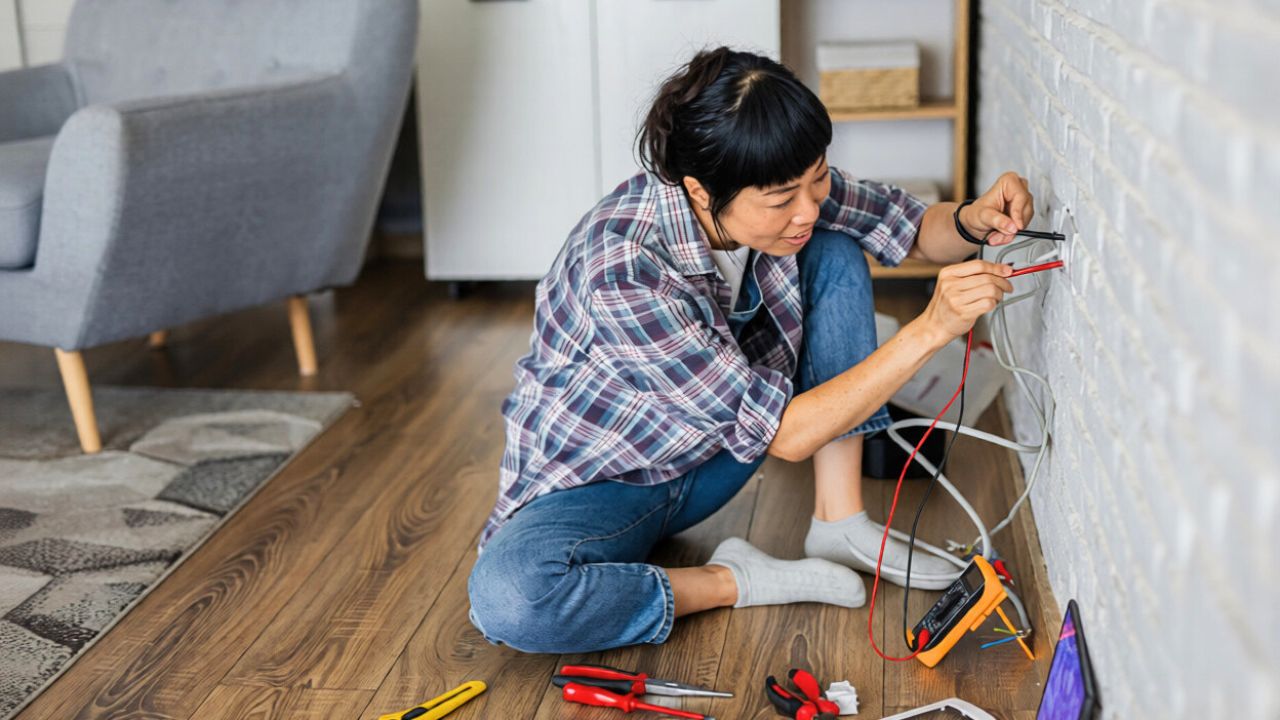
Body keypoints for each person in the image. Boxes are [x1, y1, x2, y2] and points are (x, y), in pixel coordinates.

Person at [467, 47, 1032, 654]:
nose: (808, 207)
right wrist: (930, 327)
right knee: (511, 600)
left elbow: (914, 228)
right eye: (783, 198)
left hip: (709, 461)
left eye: (818, 178)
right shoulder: (621, 272)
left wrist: (975, 220)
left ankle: (840, 521)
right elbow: (787, 435)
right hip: (598, 486)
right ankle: (730, 579)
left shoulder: (780, 183)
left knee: (833, 247)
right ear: (700, 190)